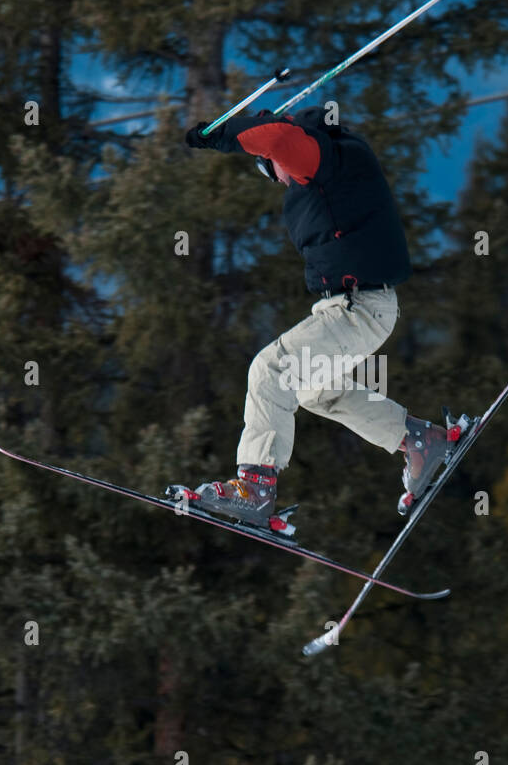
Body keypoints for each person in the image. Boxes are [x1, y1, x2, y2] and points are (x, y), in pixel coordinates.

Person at [177, 106, 457, 529]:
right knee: (311, 391)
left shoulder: (321, 157)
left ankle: (255, 489)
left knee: (271, 371)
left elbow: (277, 139)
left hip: (358, 308)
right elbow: (278, 139)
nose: (274, 179)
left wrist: (220, 135)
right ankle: (418, 439)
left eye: (268, 171)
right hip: (356, 306)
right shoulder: (333, 160)